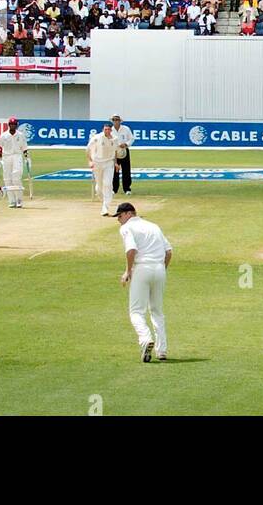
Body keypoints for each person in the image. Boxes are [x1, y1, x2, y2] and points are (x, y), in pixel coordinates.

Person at [114, 203, 171, 362]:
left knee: (136, 311)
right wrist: (161, 270)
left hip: (142, 269)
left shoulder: (127, 228)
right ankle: (162, 350)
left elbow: (131, 249)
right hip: (159, 269)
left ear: (128, 214)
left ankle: (145, 339)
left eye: (119, 216)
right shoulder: (153, 226)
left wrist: (128, 271)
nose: (118, 220)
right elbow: (169, 252)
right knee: (157, 311)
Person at [86, 124, 117, 216]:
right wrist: (90, 161)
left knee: (108, 184)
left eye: (108, 129)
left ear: (111, 130)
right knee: (99, 188)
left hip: (109, 163)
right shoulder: (97, 138)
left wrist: (116, 162)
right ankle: (103, 199)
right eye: (105, 129)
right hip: (97, 163)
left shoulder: (114, 139)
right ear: (103, 129)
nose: (107, 131)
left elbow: (115, 152)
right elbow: (88, 150)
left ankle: (105, 208)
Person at [0, 117, 28, 209]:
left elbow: (24, 148)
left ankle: (19, 200)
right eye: (11, 124)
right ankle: (11, 200)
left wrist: (27, 158)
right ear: (9, 125)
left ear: (17, 125)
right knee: (7, 179)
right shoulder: (4, 135)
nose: (13, 126)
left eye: (14, 125)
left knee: (16, 178)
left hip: (17, 156)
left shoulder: (21, 135)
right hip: (6, 157)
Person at [109, 114, 135, 196]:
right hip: (114, 152)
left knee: (126, 170)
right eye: (114, 120)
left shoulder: (126, 129)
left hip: (124, 151)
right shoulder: (110, 130)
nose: (115, 121)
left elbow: (132, 138)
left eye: (117, 119)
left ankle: (127, 189)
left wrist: (126, 144)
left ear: (120, 121)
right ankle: (114, 189)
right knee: (114, 171)